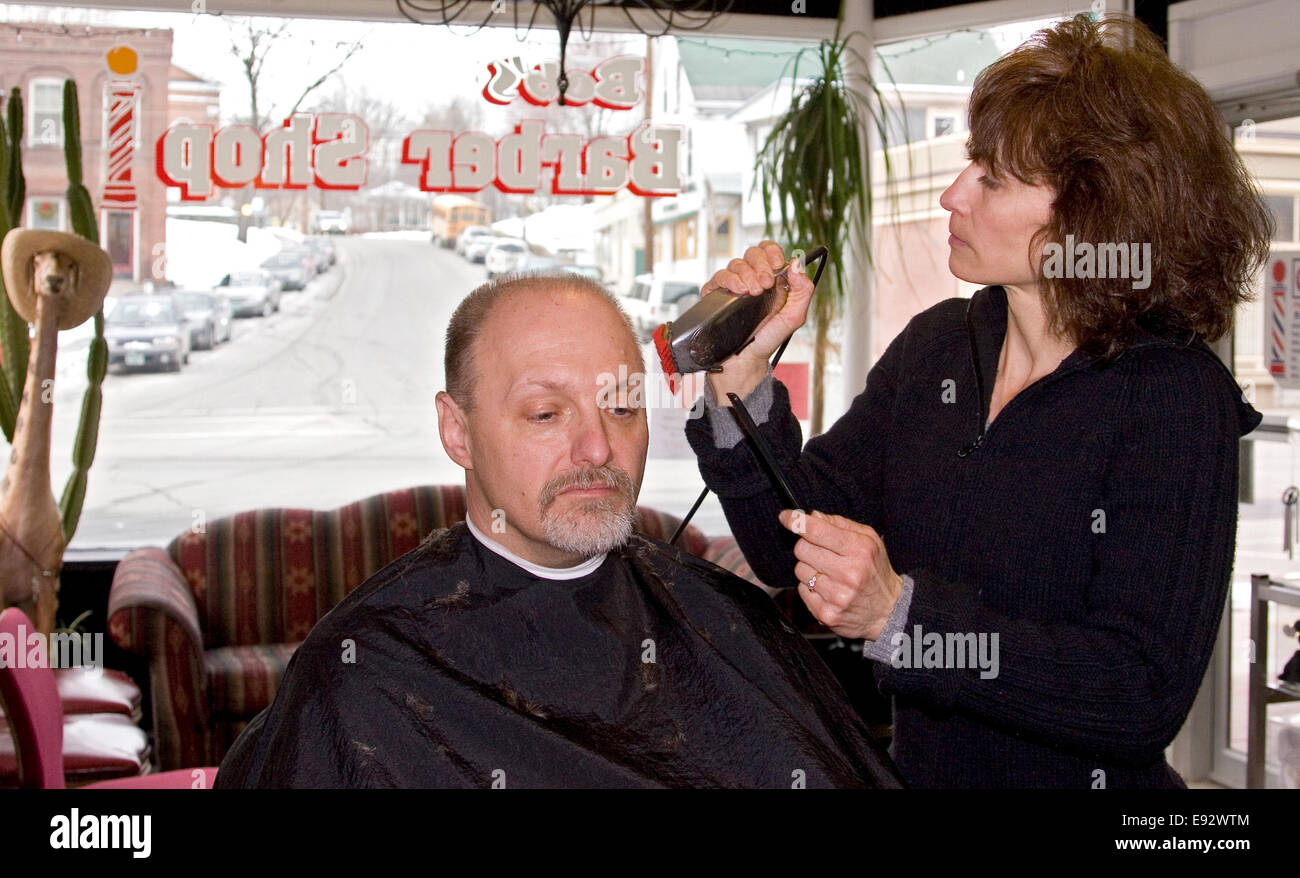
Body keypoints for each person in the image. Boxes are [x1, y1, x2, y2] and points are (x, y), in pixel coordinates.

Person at [685, 13, 1270, 788]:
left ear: (1090, 216)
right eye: (970, 163)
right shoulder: (939, 346)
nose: (954, 194)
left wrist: (904, 619)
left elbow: (1139, 693)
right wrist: (743, 378)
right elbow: (789, 547)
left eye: (992, 178)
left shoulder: (1173, 399)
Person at [214, 273, 902, 789]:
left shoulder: (724, 623)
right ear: (457, 431)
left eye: (623, 406)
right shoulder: (369, 669)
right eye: (546, 414)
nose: (599, 449)